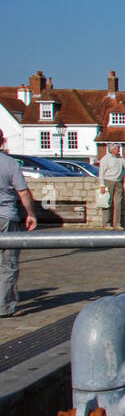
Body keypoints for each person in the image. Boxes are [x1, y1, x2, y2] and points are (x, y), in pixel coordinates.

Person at [0, 132, 39, 318]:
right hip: (7, 217)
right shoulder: (10, 163)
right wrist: (31, 214)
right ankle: (4, 306)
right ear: (2, 142)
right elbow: (23, 192)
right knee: (8, 263)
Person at [97, 143, 125, 229]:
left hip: (118, 181)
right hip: (108, 181)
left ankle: (117, 224)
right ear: (112, 150)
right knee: (107, 203)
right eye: (117, 148)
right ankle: (107, 223)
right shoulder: (105, 159)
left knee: (118, 203)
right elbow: (101, 173)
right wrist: (102, 185)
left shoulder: (120, 158)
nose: (119, 150)